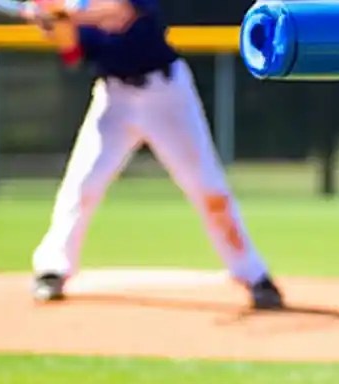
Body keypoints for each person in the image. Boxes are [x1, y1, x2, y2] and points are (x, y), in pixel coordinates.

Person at [20, 0, 284, 310]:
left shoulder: (75, 6)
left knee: (209, 189)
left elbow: (123, 13)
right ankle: (53, 268)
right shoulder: (67, 3)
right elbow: (73, 52)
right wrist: (55, 25)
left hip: (167, 95)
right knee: (82, 185)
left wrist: (65, 15)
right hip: (114, 99)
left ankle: (254, 274)